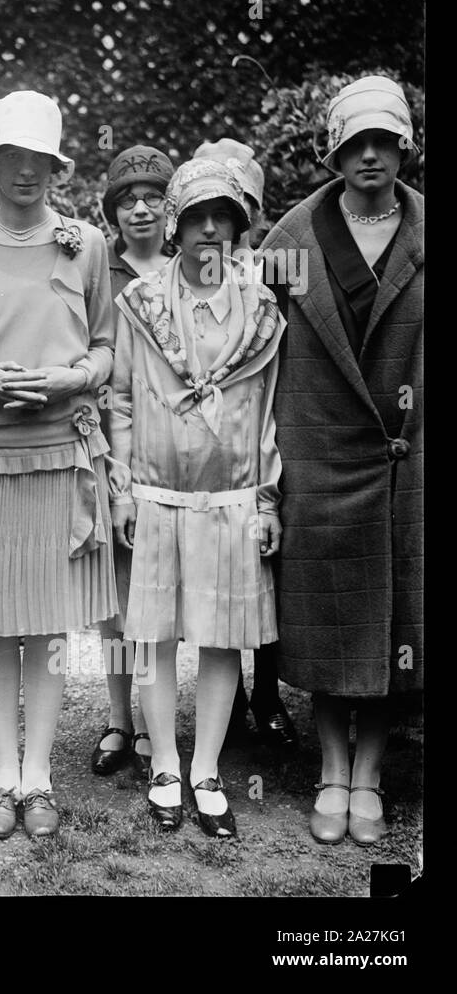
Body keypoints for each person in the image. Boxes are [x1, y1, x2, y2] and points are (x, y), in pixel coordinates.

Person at [0, 91, 117, 840]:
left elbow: (108, 347)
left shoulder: (86, 245)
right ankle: (2, 773)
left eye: (40, 159)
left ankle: (39, 774)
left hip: (57, 452)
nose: (26, 171)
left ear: (55, 166)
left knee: (45, 622)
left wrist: (76, 378)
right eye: (11, 157)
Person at [262, 76, 422, 846]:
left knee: (398, 619)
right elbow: (252, 351)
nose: (369, 155)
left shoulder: (428, 229)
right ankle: (331, 766)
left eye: (383, 141)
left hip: (407, 460)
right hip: (319, 457)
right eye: (355, 142)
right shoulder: (290, 241)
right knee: (327, 615)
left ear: (403, 148)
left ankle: (372, 769)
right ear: (332, 150)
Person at [109, 158, 285, 840]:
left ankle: (207, 768)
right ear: (176, 228)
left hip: (232, 498)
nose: (210, 227)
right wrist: (122, 489)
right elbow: (119, 396)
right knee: (151, 634)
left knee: (219, 639)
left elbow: (268, 410)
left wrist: (268, 500)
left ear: (240, 227)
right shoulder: (143, 302)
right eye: (197, 216)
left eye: (225, 216)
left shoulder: (262, 310)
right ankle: (166, 767)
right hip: (155, 493)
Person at [193, 137, 297, 752]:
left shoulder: (272, 268)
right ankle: (225, 700)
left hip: (275, 424)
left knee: (269, 564)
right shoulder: (189, 276)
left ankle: (268, 691)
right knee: (224, 571)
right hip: (218, 441)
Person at [88, 144, 175, 781]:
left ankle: (156, 722)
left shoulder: (191, 270)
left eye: (152, 198)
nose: (140, 209)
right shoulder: (99, 268)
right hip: (112, 451)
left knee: (161, 595)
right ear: (111, 211)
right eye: (127, 200)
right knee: (117, 598)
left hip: (174, 455)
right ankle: (121, 718)